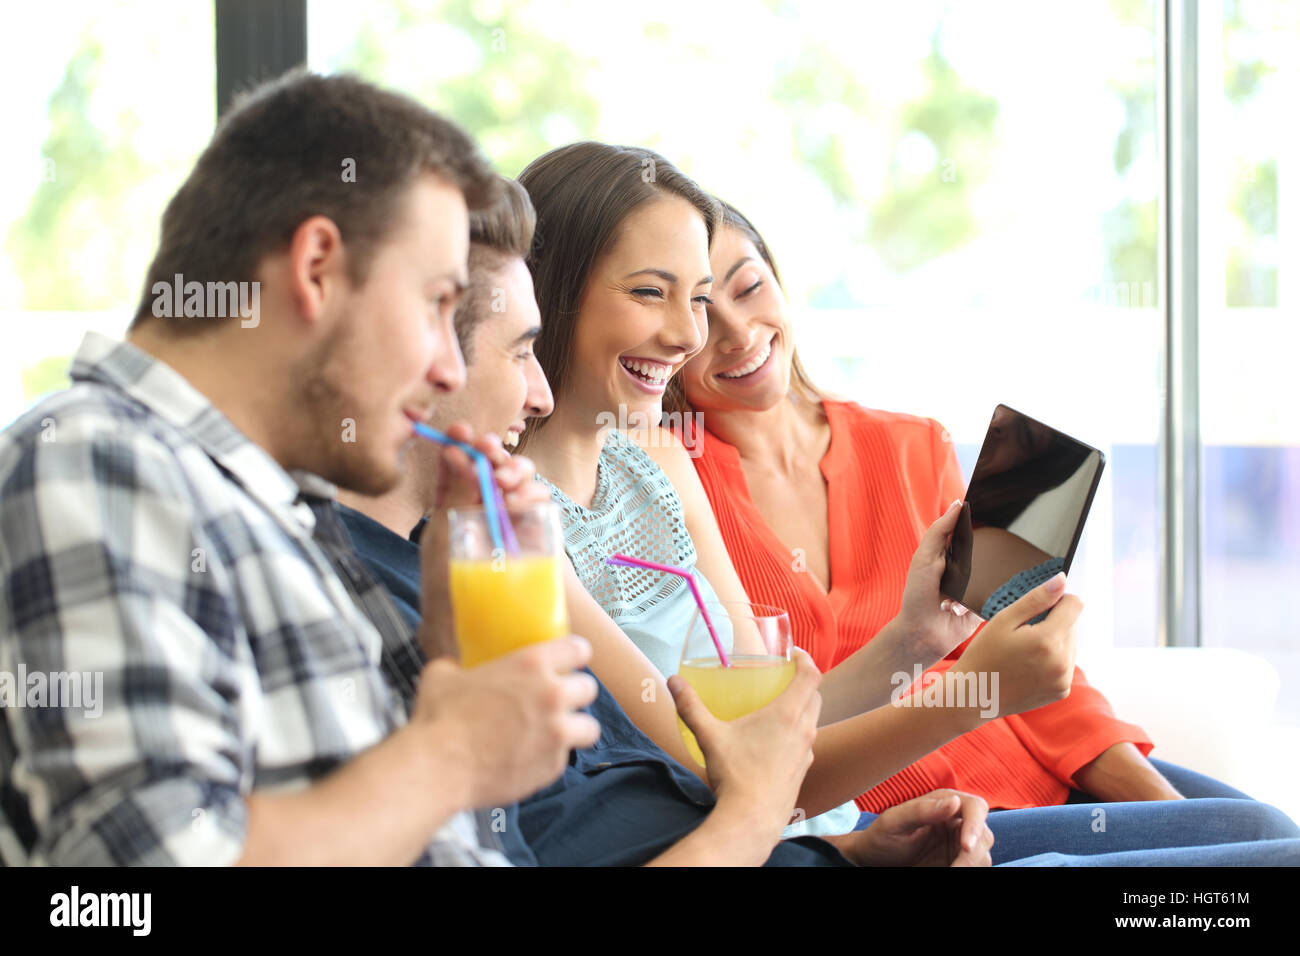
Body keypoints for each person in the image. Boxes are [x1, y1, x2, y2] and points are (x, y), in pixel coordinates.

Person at [340, 173, 1300, 867]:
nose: (690, 335)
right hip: (815, 830)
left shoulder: (660, 460)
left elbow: (766, 711)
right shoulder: (507, 533)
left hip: (832, 838)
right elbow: (724, 764)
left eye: (712, 295)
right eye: (653, 295)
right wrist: (972, 697)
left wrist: (915, 638)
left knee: (1264, 838)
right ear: (554, 295)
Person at [0, 71, 601, 866]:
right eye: (434, 305)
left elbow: (360, 811)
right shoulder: (96, 459)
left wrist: (447, 657)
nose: (447, 370)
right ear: (317, 265)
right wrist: (450, 752)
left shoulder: (272, 502)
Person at [665, 198, 1254, 814]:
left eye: (750, 287)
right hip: (912, 826)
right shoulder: (669, 491)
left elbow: (1015, 645)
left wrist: (1156, 803)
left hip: (1038, 778)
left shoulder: (911, 444)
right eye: (703, 310)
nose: (737, 333)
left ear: (778, 281)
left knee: (1265, 830)